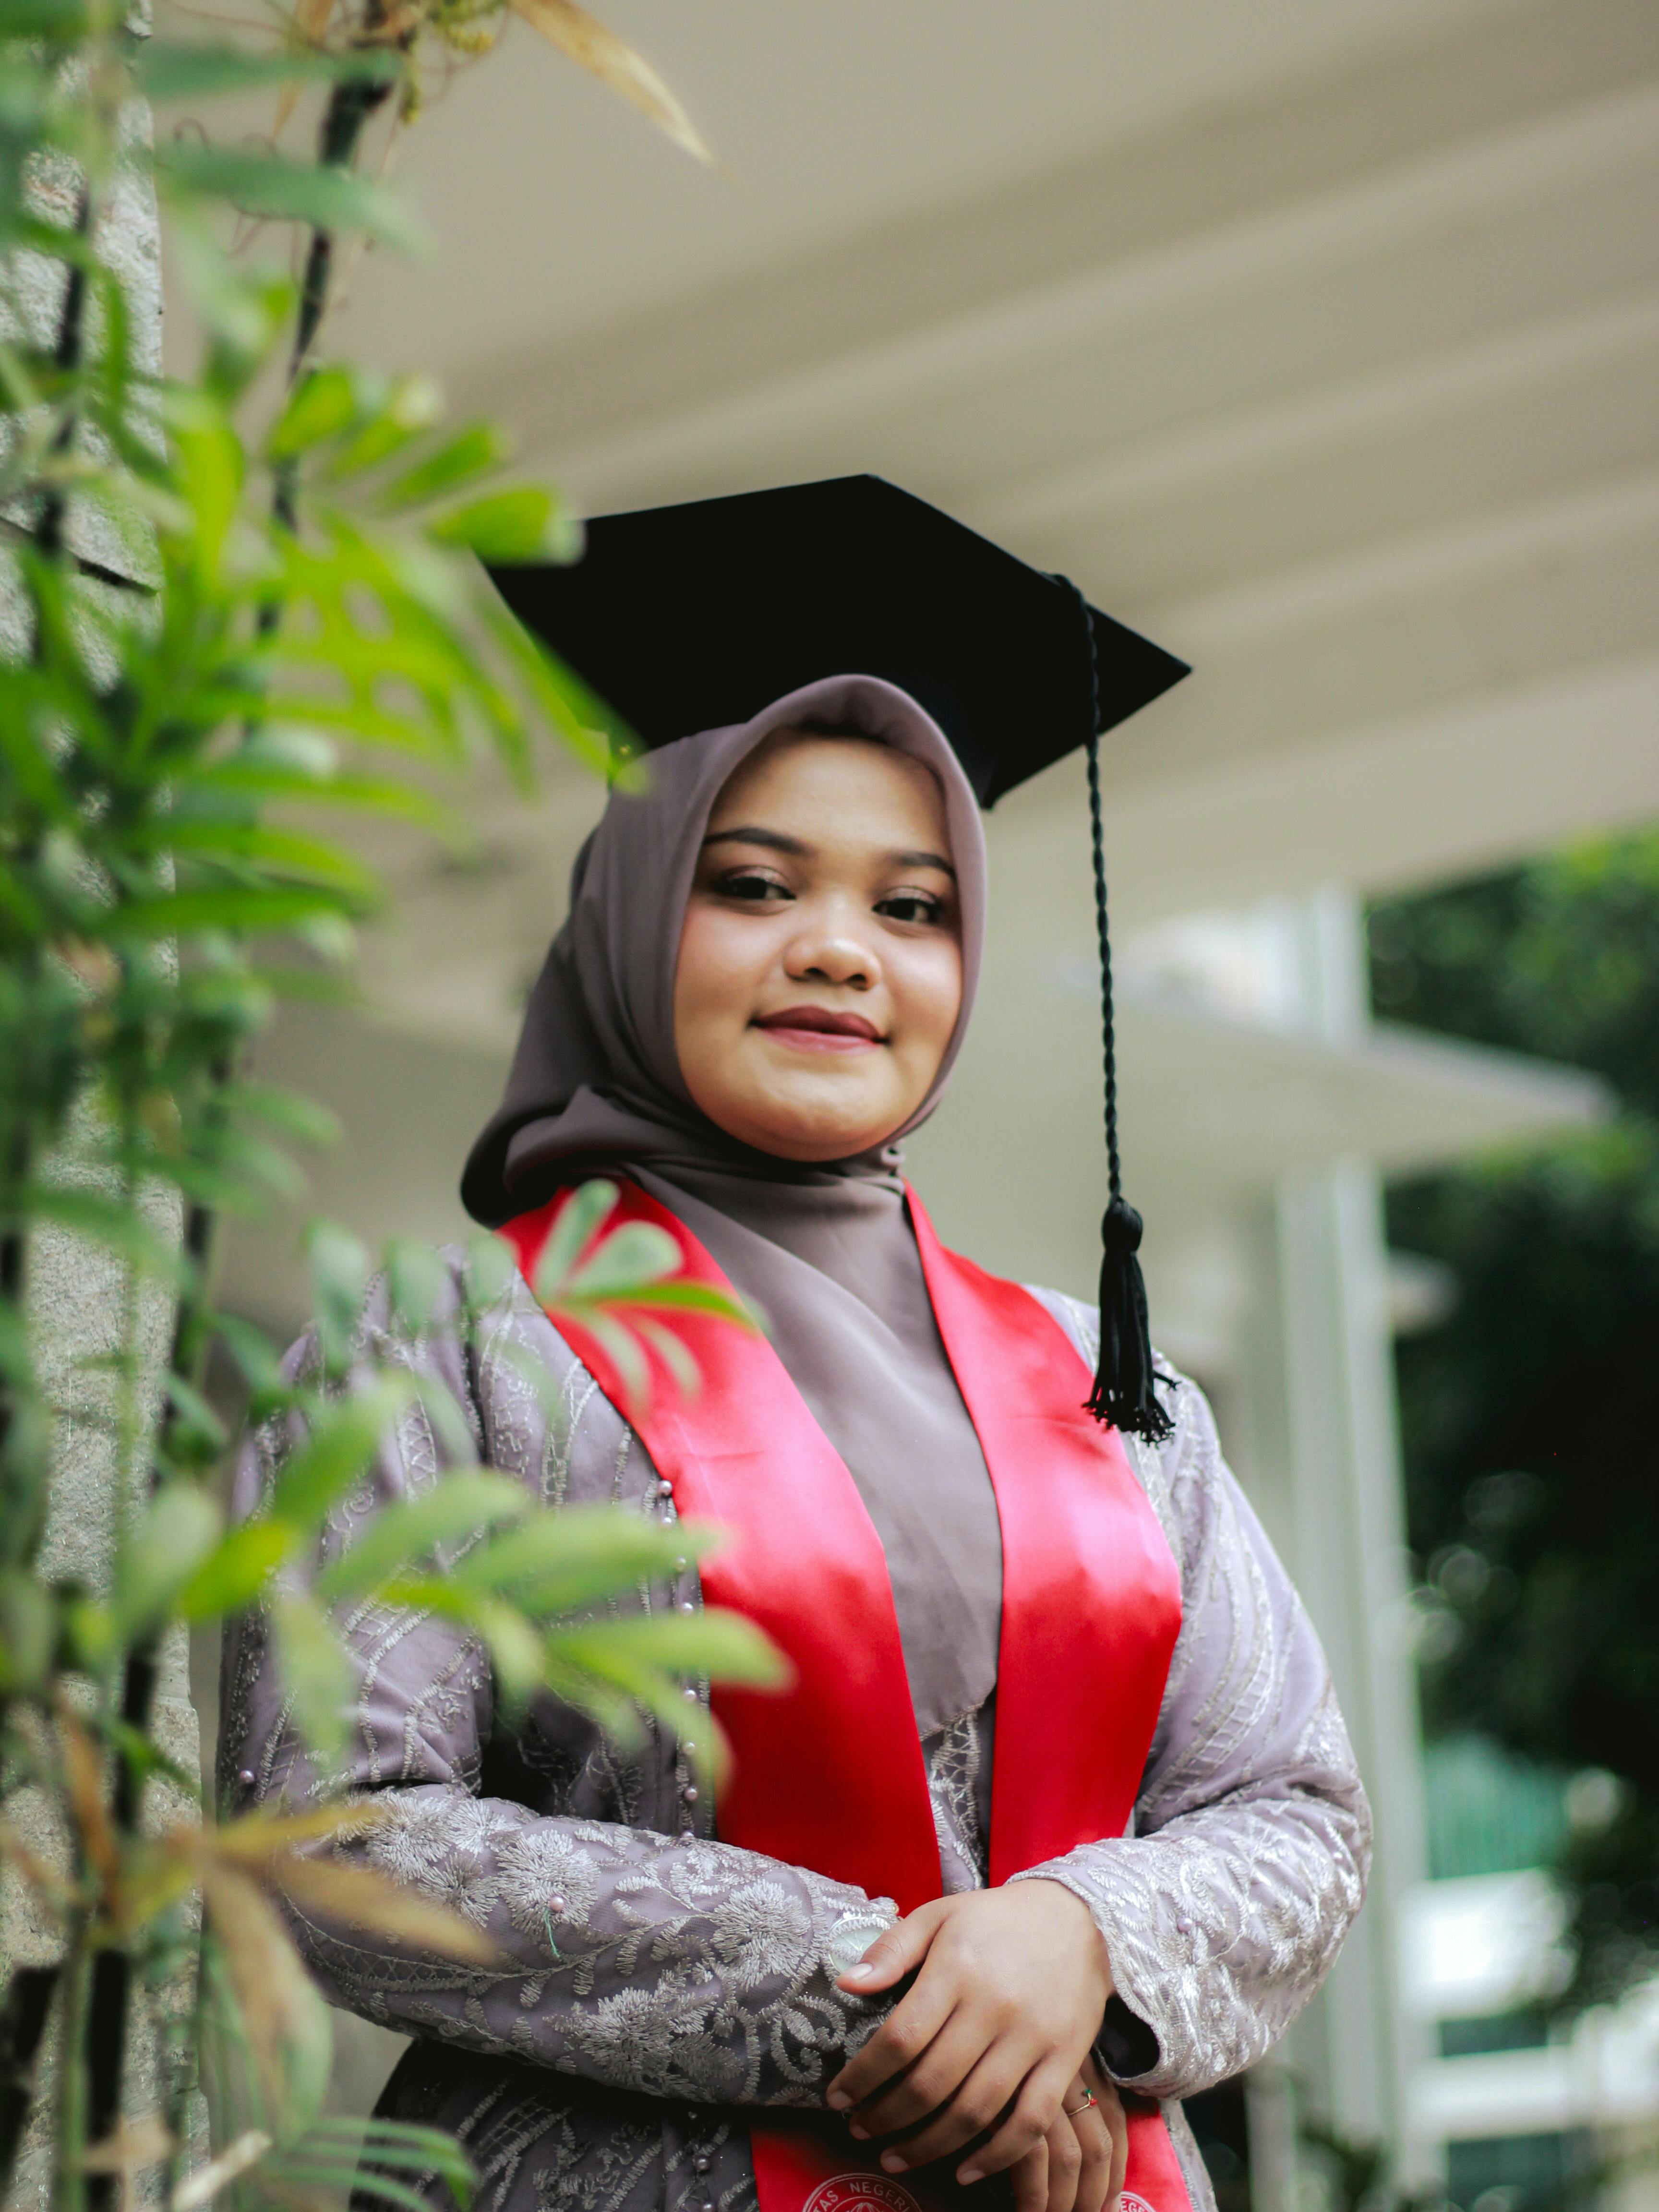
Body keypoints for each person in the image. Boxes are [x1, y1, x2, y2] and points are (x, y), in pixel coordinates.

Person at [219, 481, 1370, 2212]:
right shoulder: (443, 1351)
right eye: (756, 885)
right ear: (632, 911)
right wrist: (909, 2009)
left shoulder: (1111, 1390)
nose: (840, 950)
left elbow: (1292, 1806)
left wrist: (1078, 1940)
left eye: (915, 909)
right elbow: (333, 1830)